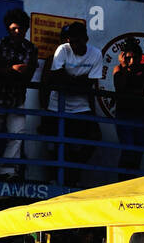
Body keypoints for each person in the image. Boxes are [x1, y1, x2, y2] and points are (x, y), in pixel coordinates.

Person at [42, 21, 103, 183]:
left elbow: (90, 85)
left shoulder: (96, 54)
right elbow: (56, 78)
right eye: (71, 40)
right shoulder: (62, 49)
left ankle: (72, 175)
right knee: (57, 145)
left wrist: (69, 83)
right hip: (57, 106)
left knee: (92, 139)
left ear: (86, 39)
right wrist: (78, 82)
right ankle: (59, 179)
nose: (74, 44)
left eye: (78, 40)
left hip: (81, 107)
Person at [0, 8, 37, 179]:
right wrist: (14, 69)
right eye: (14, 28)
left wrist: (10, 71)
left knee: (16, 136)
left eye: (21, 28)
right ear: (8, 28)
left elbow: (28, 75)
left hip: (17, 99)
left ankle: (5, 172)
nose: (17, 32)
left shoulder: (30, 48)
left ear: (26, 29)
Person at [111, 38, 144, 173]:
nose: (132, 61)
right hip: (124, 114)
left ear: (140, 57)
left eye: (135, 58)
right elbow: (120, 88)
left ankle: (133, 184)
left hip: (141, 114)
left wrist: (130, 92)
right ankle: (124, 183)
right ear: (123, 58)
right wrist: (124, 67)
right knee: (128, 150)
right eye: (128, 58)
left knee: (138, 152)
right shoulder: (118, 69)